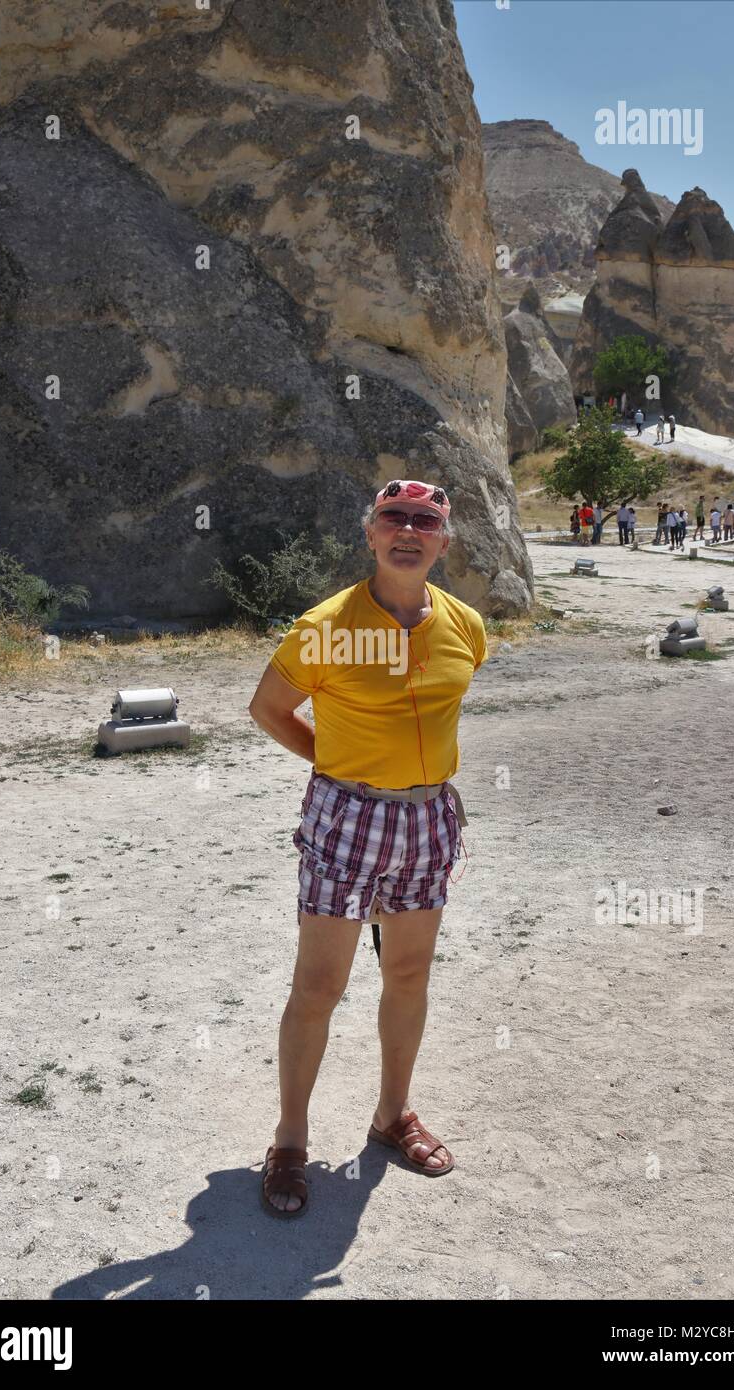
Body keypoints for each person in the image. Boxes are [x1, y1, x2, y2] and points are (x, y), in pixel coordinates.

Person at [248, 479, 485, 1214]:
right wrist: (338, 763)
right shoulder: (325, 625)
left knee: (408, 975)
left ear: (444, 543)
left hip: (428, 819)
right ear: (372, 535)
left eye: (426, 521)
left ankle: (392, 1117)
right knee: (319, 987)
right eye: (395, 519)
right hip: (346, 816)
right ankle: (290, 1140)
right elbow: (269, 710)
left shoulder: (468, 625)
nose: (409, 530)